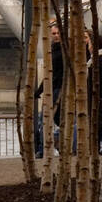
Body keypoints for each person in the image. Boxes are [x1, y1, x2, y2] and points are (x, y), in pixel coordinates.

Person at [34, 20, 63, 157]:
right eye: (54, 33)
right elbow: (48, 75)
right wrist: (40, 91)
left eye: (58, 33)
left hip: (57, 89)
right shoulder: (53, 50)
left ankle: (43, 149)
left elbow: (51, 75)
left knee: (45, 119)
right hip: (52, 89)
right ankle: (45, 148)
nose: (56, 36)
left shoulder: (61, 52)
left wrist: (40, 91)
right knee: (47, 120)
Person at [86, 30, 102, 152]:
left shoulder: (97, 62)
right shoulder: (97, 61)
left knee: (97, 126)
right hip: (98, 99)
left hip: (97, 100)